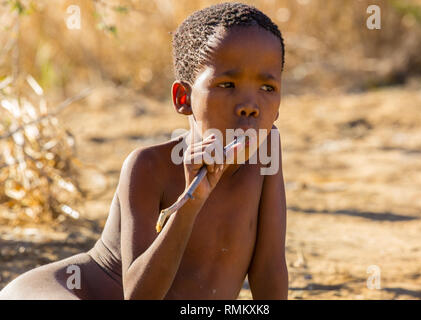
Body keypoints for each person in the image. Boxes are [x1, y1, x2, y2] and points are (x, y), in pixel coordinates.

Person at [0, 2, 288, 300]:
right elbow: (138, 297)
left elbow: (269, 265)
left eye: (267, 88)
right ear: (183, 98)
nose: (249, 106)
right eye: (227, 84)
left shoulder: (266, 153)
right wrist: (190, 201)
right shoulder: (148, 166)